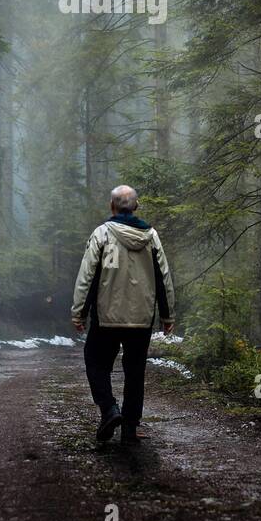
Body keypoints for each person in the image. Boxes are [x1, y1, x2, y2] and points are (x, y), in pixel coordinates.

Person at [71, 184, 175, 444]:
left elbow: (87, 276)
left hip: (107, 317)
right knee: (135, 370)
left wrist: (79, 312)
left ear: (112, 206)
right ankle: (130, 427)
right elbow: (163, 277)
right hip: (141, 319)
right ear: (136, 207)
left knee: (96, 362)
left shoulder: (103, 234)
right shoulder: (151, 236)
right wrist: (167, 314)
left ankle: (108, 410)